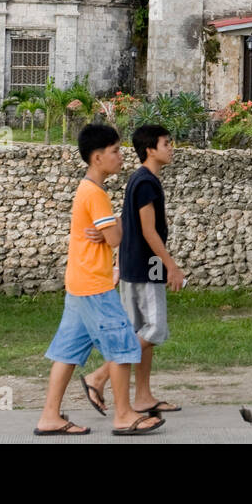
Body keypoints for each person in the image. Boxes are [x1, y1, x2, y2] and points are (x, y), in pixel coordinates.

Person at [34, 124, 165, 437]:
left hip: (79, 283)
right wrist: (113, 230)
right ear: (97, 158)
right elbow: (116, 239)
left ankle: (49, 417)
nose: (121, 157)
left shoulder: (87, 190)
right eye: (115, 151)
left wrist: (111, 229)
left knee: (67, 352)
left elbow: (110, 233)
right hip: (95, 285)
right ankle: (123, 415)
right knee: (121, 346)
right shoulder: (96, 194)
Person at [82, 124, 185, 416]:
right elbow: (149, 232)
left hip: (134, 266)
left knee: (141, 332)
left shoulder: (140, 180)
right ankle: (99, 376)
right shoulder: (147, 183)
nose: (171, 147)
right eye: (166, 143)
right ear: (150, 149)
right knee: (154, 329)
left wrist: (117, 260)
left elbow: (126, 221)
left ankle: (142, 398)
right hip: (146, 267)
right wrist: (172, 267)